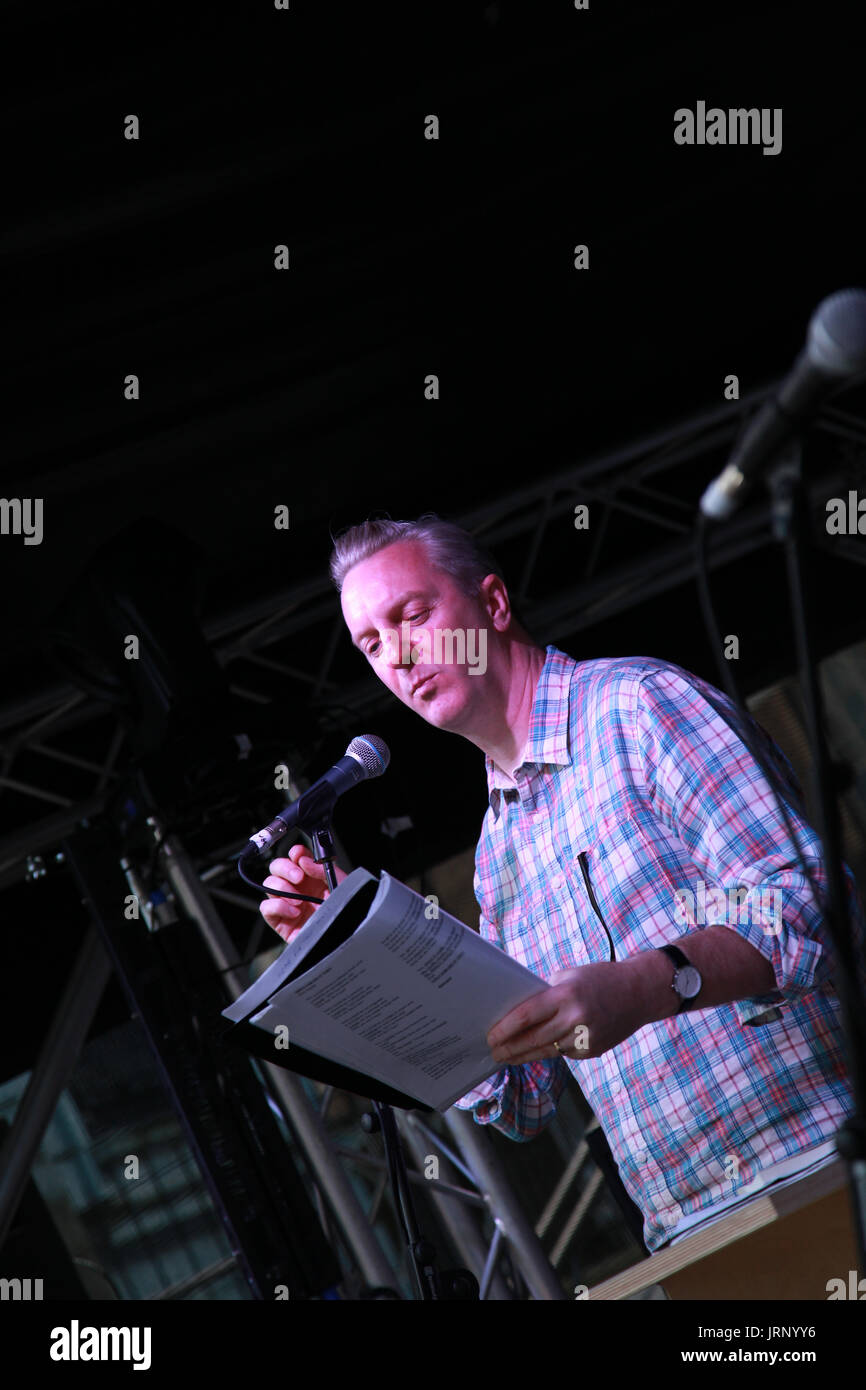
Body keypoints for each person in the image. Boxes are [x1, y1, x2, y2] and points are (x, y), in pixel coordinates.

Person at [259, 514, 865, 1254]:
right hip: (690, 1234)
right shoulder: (497, 848)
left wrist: (650, 985)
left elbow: (814, 907)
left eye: (413, 615)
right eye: (372, 645)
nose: (400, 656)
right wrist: (366, 949)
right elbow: (523, 1097)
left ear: (494, 605)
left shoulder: (638, 706)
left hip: (828, 1163)